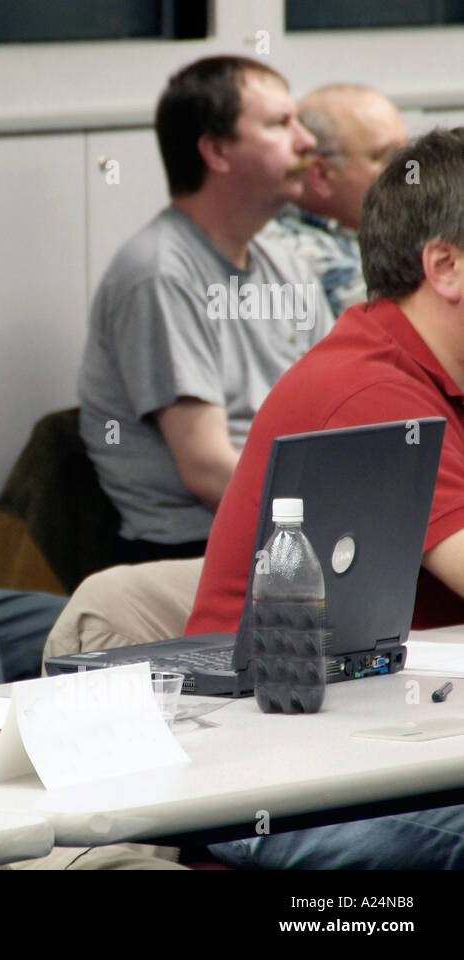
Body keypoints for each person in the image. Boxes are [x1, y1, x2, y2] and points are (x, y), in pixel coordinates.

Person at [189, 128, 464, 868]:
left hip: (383, 737)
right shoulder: (372, 389)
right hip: (270, 770)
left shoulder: (436, 373)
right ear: (445, 266)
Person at [78, 56, 334, 564]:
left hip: (288, 532)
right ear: (216, 150)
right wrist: (342, 516)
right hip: (196, 551)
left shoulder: (285, 264)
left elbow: (337, 412)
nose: (307, 142)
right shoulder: (159, 272)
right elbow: (208, 471)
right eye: (280, 124)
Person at [260, 84, 408, 316]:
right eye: (388, 157)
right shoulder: (286, 252)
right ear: (321, 174)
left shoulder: (379, 230)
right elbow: (421, 313)